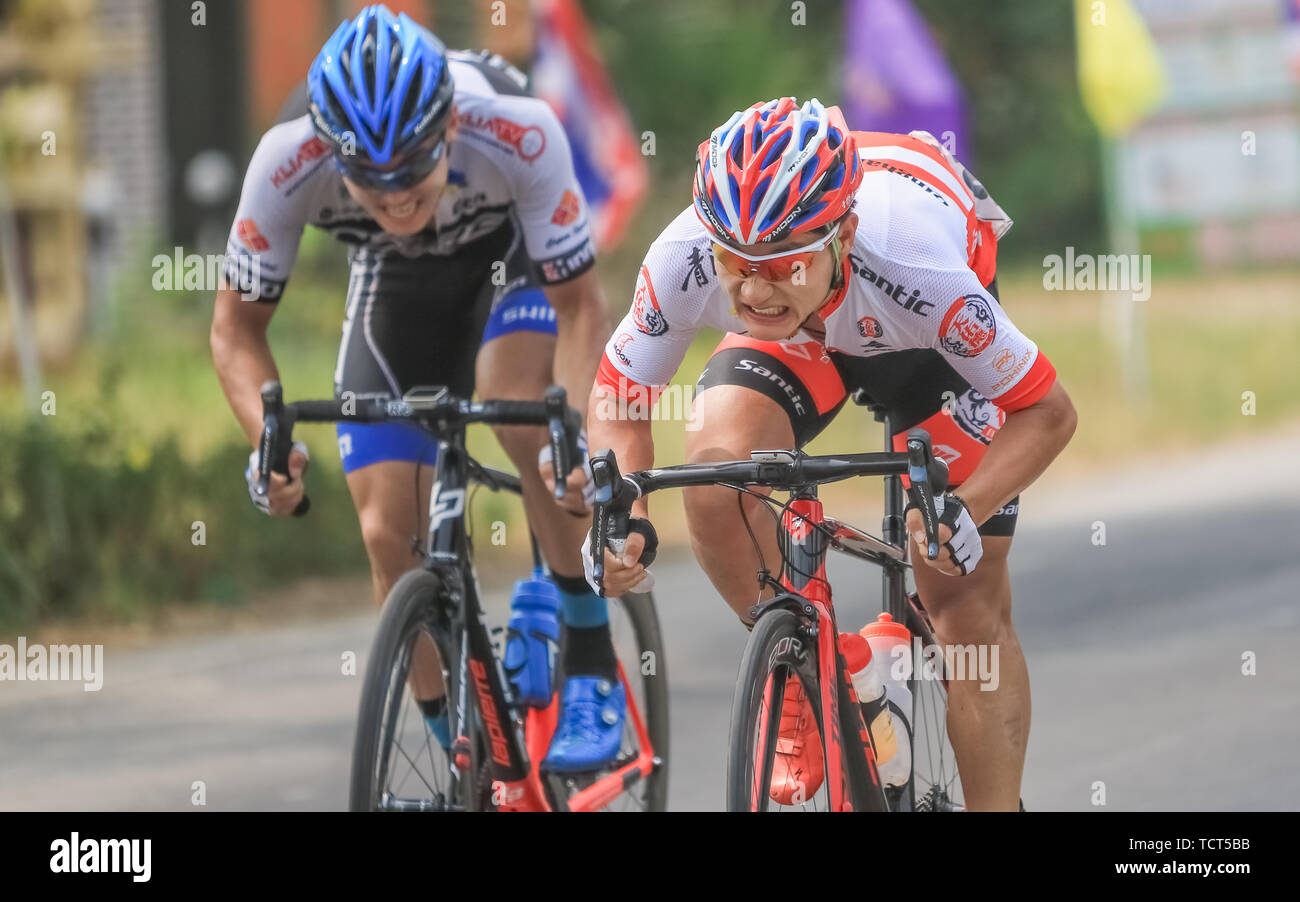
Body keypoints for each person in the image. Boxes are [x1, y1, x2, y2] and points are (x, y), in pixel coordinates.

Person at [585, 97, 1077, 809]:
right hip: (802, 339)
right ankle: (802, 677)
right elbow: (620, 397)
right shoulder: (686, 254)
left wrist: (965, 509)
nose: (754, 286)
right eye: (735, 261)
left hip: (921, 345)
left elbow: (1048, 412)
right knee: (717, 478)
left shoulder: (917, 264)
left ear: (841, 232)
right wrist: (618, 510)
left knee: (960, 597)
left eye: (783, 263)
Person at [210, 4, 624, 771]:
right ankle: (455, 748)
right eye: (369, 180)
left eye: (412, 168)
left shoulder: (519, 127)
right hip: (399, 287)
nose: (396, 197)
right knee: (384, 532)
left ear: (450, 128)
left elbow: (581, 309)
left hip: (514, 264)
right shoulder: (286, 159)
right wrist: (268, 442)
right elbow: (236, 331)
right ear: (332, 154)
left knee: (524, 410)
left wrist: (578, 440)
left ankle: (591, 653)